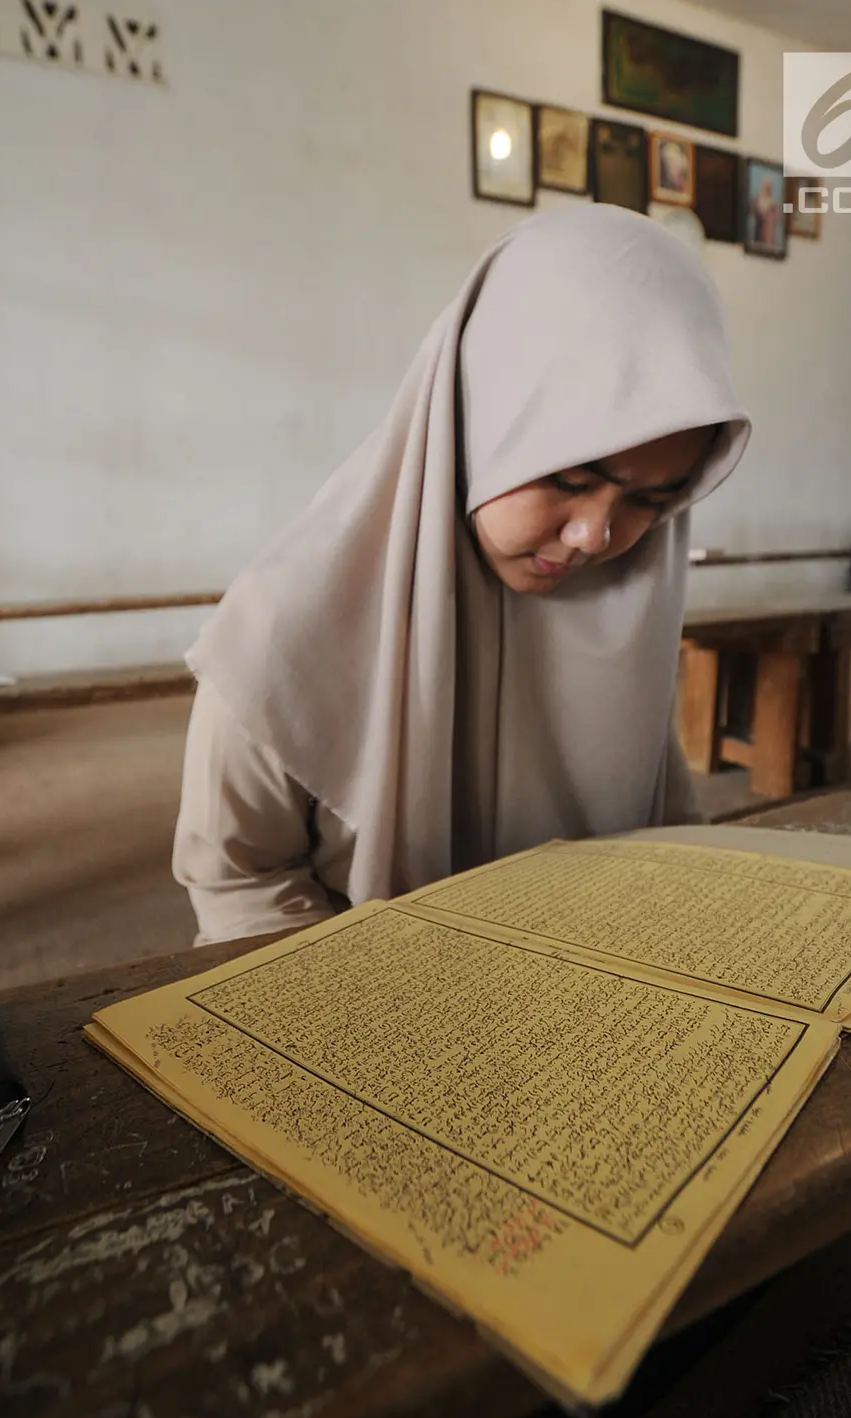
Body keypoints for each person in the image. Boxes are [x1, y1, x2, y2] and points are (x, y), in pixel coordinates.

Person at [173, 206, 752, 945]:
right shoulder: (280, 629)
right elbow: (240, 880)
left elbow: (666, 825)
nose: (595, 536)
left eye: (650, 500)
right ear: (481, 416)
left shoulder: (623, 597)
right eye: (572, 477)